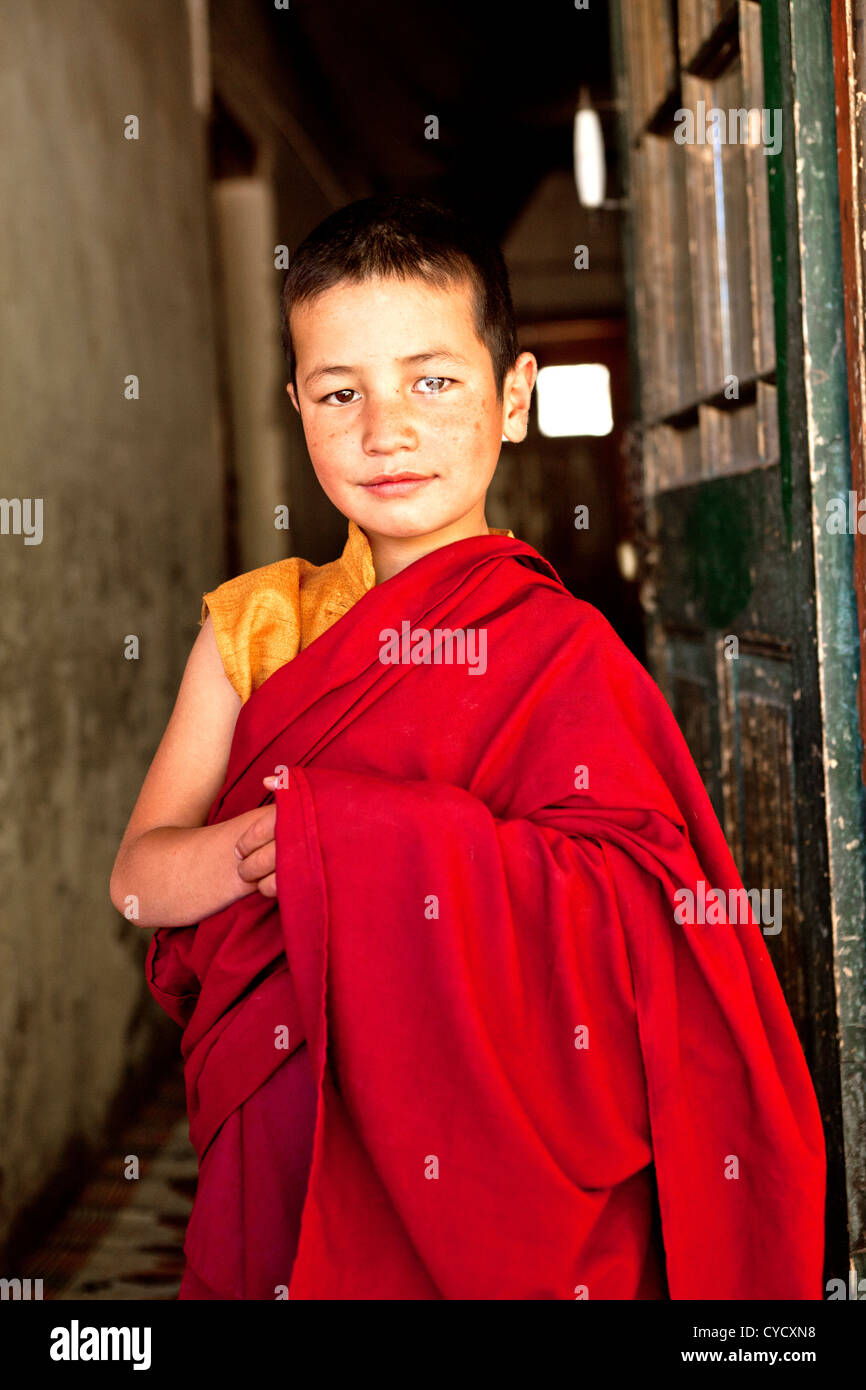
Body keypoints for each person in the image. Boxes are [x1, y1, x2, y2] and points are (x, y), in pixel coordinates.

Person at [110, 195, 826, 1301]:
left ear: (515, 396)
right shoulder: (257, 624)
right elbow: (141, 879)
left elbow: (647, 922)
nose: (383, 429)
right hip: (286, 1146)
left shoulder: (562, 649)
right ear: (295, 405)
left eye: (431, 381)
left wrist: (363, 842)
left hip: (489, 1159)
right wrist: (279, 840)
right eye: (339, 392)